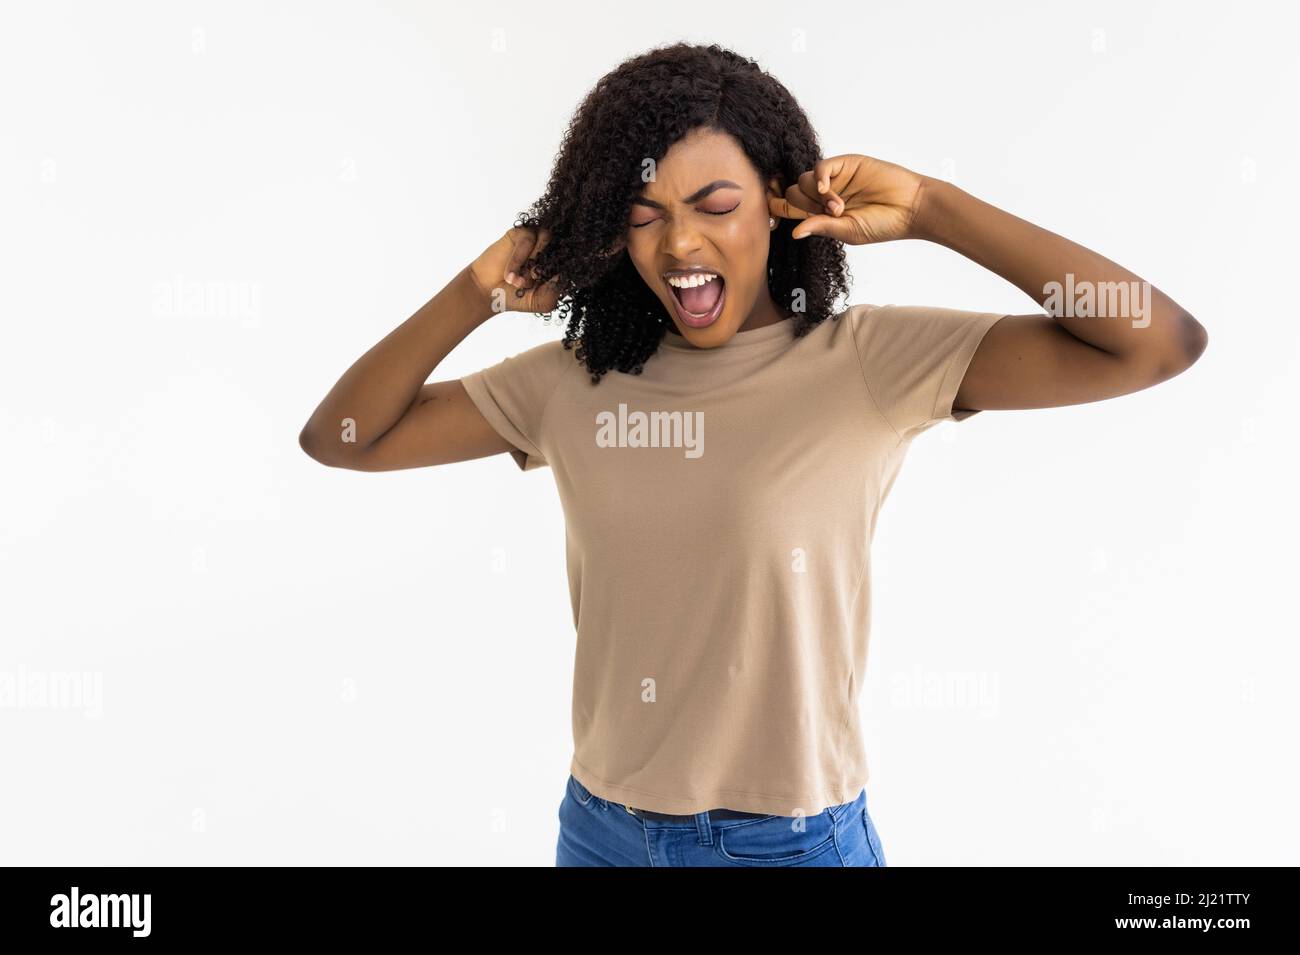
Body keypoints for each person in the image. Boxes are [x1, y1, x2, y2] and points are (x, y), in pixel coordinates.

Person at [298, 42, 1207, 867]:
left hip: (791, 846)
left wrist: (931, 207)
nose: (681, 244)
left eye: (716, 206)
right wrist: (476, 291)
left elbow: (1156, 343)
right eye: (644, 214)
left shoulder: (866, 365)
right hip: (601, 834)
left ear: (777, 207)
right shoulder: (575, 381)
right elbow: (342, 437)